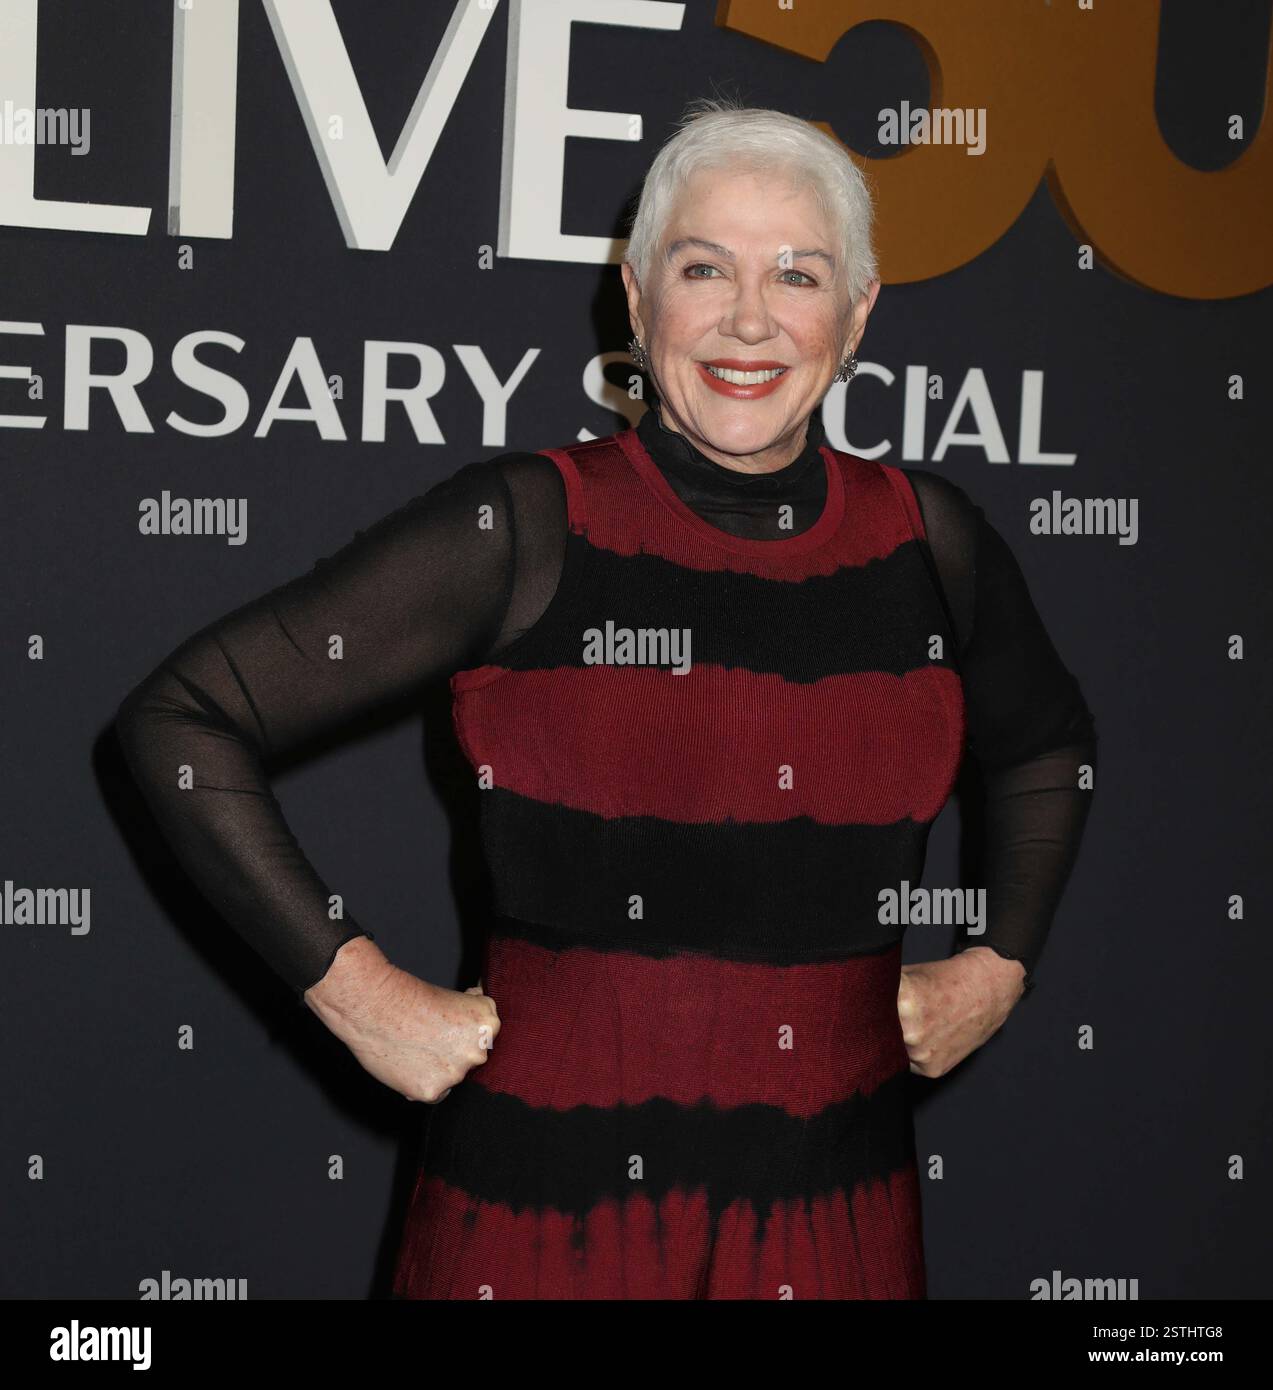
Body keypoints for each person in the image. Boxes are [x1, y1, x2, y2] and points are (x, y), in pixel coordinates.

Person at [114, 99, 1097, 1300]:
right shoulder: (524, 526)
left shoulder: (930, 540)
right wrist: (357, 991)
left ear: (857, 314)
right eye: (703, 268)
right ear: (638, 302)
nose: (748, 318)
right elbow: (182, 720)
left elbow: (1048, 748)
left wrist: (995, 967)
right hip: (536, 1233)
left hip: (838, 1230)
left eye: (797, 274)